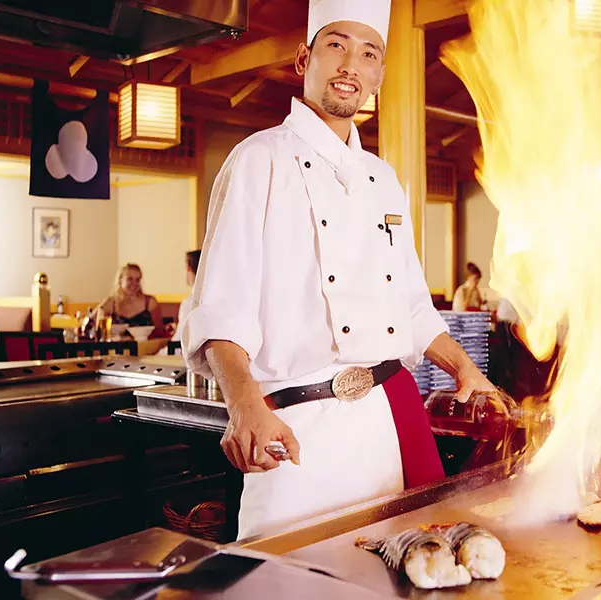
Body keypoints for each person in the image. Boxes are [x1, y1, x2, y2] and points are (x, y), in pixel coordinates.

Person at [182, 0, 495, 541]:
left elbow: (414, 306)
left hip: (385, 426)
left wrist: (465, 368)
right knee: (286, 581)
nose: (351, 64)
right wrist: (244, 406)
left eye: (368, 53)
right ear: (304, 59)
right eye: (336, 45)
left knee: (400, 575)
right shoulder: (259, 159)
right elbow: (221, 309)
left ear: (378, 75)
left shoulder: (383, 179)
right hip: (295, 429)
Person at [95, 263, 164, 333]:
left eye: (137, 280)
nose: (134, 283)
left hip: (145, 343)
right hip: (117, 343)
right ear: (120, 280)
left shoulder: (150, 302)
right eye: (130, 279)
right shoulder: (110, 303)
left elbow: (160, 332)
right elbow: (92, 324)